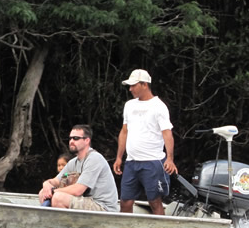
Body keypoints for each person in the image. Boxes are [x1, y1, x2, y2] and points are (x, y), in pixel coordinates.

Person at [113, 69, 177, 215]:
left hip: (153, 162)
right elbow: (124, 131)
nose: (130, 89)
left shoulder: (158, 106)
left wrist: (170, 158)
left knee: (154, 201)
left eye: (133, 85)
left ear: (144, 85)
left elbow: (167, 133)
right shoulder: (129, 105)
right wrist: (118, 157)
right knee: (125, 201)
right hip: (132, 162)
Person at [39, 125, 119, 212]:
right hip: (87, 202)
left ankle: (66, 225)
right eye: (70, 138)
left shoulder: (94, 158)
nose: (71, 141)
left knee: (58, 198)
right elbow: (56, 181)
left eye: (76, 138)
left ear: (87, 140)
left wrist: (53, 191)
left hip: (102, 207)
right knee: (43, 192)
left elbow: (78, 190)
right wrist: (47, 184)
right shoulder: (73, 162)